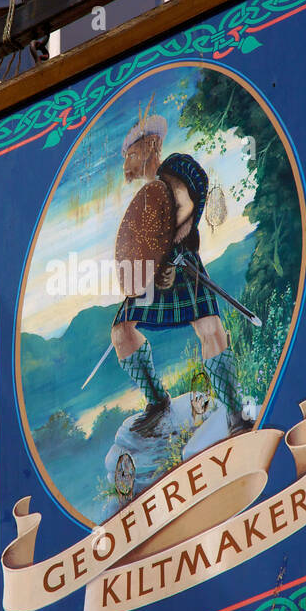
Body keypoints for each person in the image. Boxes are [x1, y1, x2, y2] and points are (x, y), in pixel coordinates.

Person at [111, 150, 252, 438]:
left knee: (210, 328)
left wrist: (173, 267)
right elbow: (142, 238)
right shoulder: (154, 211)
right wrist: (150, 269)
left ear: (194, 204)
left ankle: (235, 413)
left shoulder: (187, 234)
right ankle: (157, 402)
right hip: (149, 267)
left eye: (176, 201)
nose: (167, 206)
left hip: (184, 265)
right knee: (120, 333)